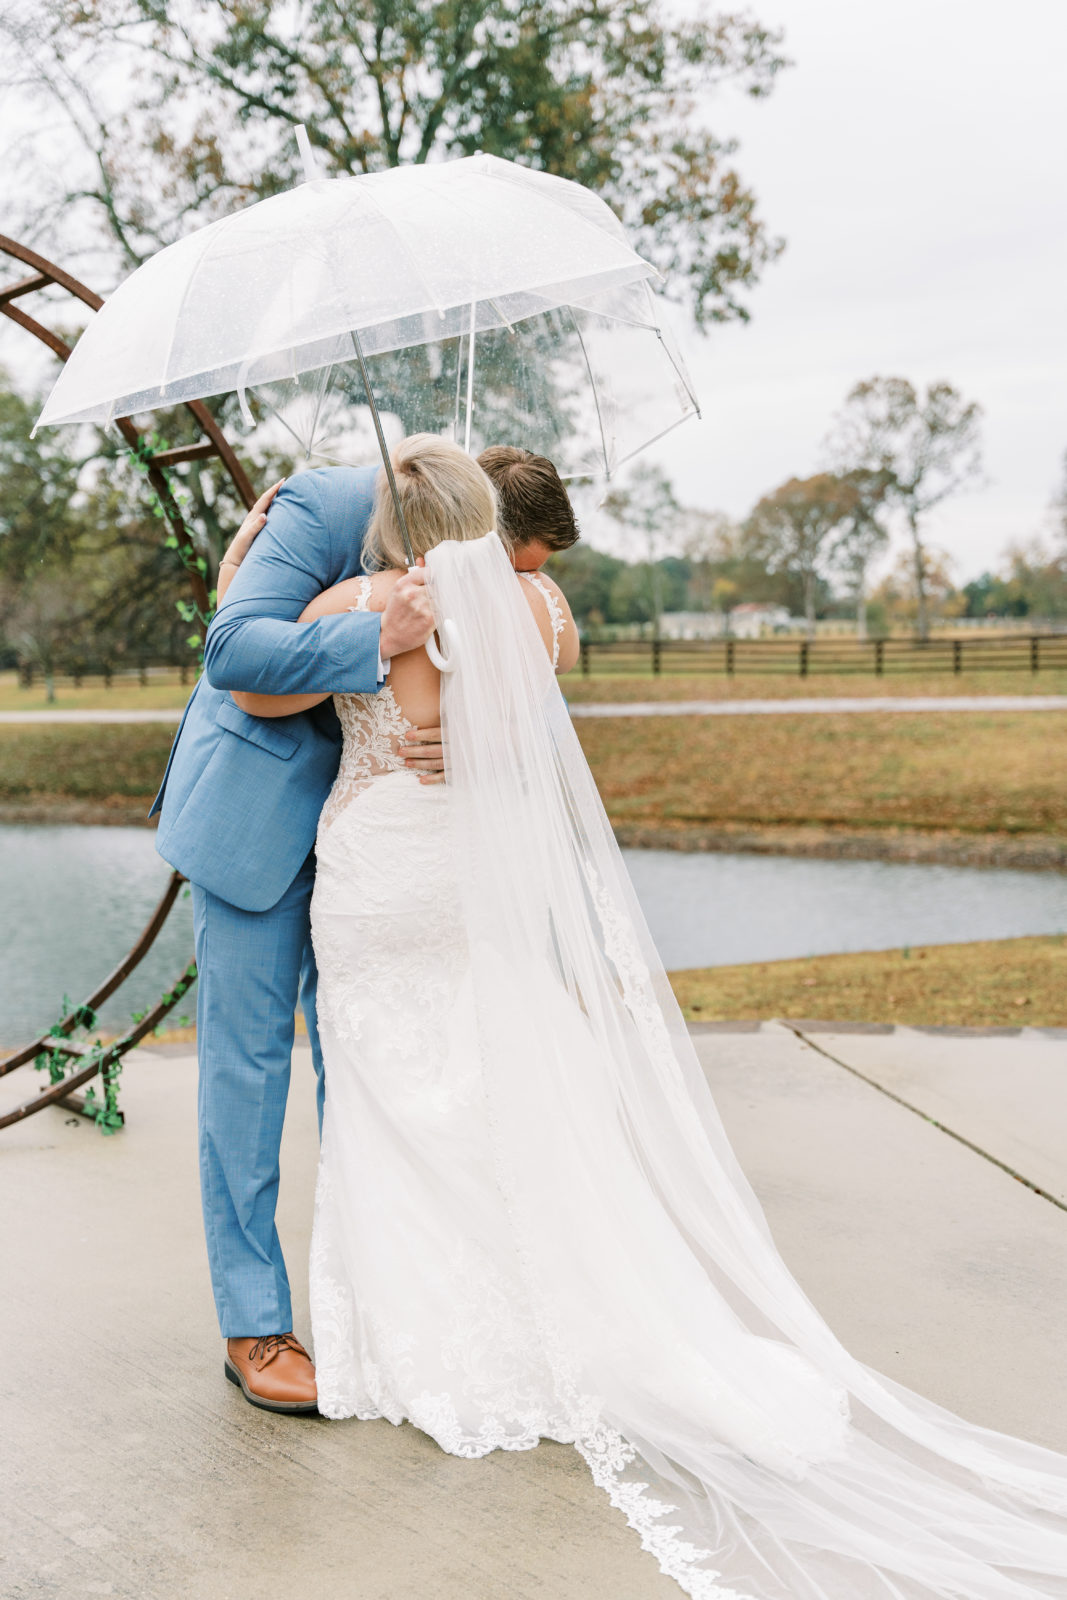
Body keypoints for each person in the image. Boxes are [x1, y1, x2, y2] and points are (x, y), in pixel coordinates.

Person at [225, 436, 1067, 1600]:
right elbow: (531, 713)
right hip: (464, 870)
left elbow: (252, 678)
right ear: (484, 519)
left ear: (387, 519)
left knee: (391, 1097)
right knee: (497, 1080)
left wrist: (261, 574)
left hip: (376, 869)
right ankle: (554, 1309)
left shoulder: (353, 604)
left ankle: (419, 1334)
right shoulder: (535, 607)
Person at [154, 444, 582, 1415]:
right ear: (472, 529)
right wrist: (379, 634)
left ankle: (385, 1304)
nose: (514, 584)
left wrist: (484, 727)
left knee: (373, 1067)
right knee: (248, 1071)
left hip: (389, 842)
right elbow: (234, 653)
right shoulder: (317, 508)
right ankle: (254, 1325)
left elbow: (541, 635)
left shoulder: (476, 549)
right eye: (514, 566)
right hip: (262, 815)